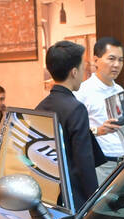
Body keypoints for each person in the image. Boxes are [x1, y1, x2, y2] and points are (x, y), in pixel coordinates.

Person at [37, 41, 105, 203]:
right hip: (74, 196)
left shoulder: (40, 107)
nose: (84, 72)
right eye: (83, 67)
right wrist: (94, 200)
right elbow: (84, 162)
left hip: (49, 193)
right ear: (74, 72)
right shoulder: (76, 109)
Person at [75, 37, 124, 186]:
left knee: (122, 208)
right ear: (96, 60)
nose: (117, 65)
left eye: (120, 60)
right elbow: (74, 131)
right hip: (101, 163)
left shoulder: (119, 90)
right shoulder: (82, 91)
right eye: (111, 59)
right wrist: (98, 130)